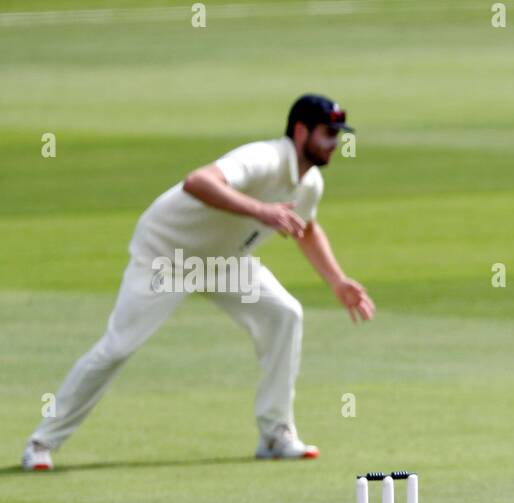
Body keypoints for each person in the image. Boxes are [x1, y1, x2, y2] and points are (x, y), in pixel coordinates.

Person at [21, 94, 375, 471]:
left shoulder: (310, 183)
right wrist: (260, 210)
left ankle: (275, 434)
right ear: (301, 131)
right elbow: (197, 181)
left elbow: (306, 229)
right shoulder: (264, 157)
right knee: (118, 348)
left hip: (223, 262)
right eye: (327, 133)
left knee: (285, 314)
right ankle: (42, 442)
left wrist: (336, 281)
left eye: (338, 135)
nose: (334, 143)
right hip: (167, 256)